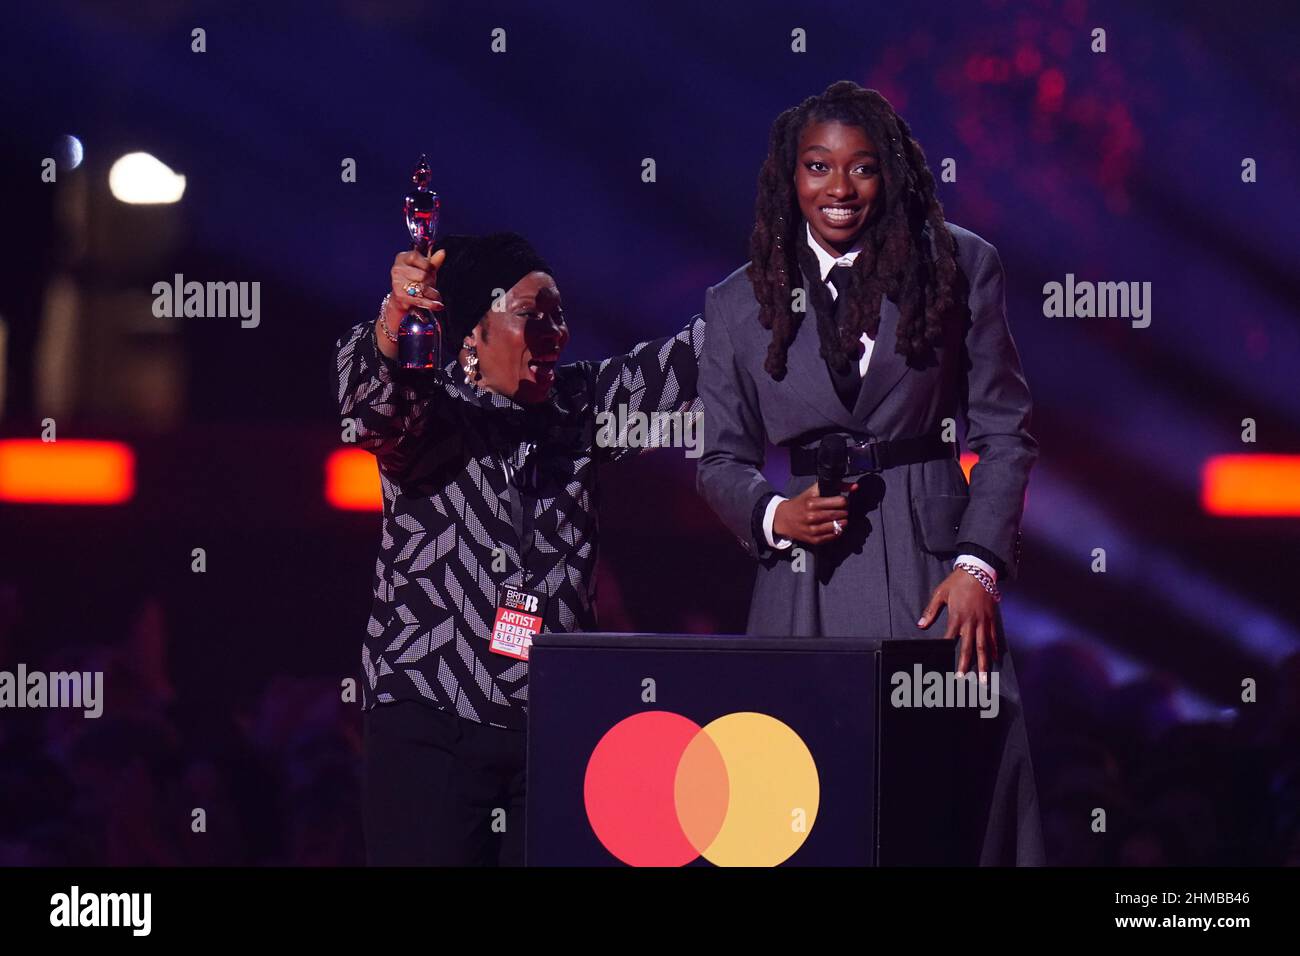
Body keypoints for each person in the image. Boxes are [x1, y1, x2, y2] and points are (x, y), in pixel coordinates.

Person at [696, 80, 1045, 865]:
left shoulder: (958, 265)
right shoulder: (734, 303)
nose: (839, 189)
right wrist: (771, 516)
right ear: (791, 177)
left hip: (932, 576)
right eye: (818, 167)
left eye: (861, 168)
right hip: (802, 584)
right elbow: (721, 459)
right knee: (805, 806)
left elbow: (1004, 430)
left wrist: (979, 567)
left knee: (944, 804)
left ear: (890, 172)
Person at [334, 232, 704, 865]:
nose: (555, 332)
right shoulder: (432, 414)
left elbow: (694, 360)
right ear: (473, 332)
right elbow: (370, 409)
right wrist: (396, 320)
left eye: (560, 314)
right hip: (433, 727)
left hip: (550, 733)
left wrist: (796, 259)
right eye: (533, 315)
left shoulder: (577, 411)